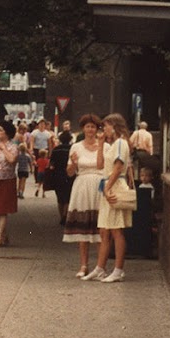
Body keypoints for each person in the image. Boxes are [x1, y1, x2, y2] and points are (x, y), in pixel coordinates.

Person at [85, 113, 133, 283]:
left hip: (114, 186)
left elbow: (118, 168)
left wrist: (107, 188)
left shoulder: (120, 143)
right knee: (105, 230)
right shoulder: (113, 144)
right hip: (108, 185)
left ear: (114, 126)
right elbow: (100, 165)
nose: (103, 129)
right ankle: (100, 268)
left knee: (116, 230)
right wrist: (100, 145)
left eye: (106, 126)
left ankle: (118, 270)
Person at [63, 114, 105, 278]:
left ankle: (100, 267)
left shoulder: (104, 146)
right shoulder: (76, 147)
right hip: (82, 186)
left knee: (100, 228)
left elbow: (106, 168)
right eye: (87, 126)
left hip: (99, 186)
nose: (90, 130)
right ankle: (83, 265)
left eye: (93, 127)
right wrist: (73, 163)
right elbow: (69, 173)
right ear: (83, 129)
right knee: (83, 228)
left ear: (97, 129)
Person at [47, 131, 74, 224]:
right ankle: (65, 215)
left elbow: (51, 164)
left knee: (60, 197)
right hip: (69, 175)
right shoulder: (72, 149)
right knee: (68, 196)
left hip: (57, 175)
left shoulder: (56, 149)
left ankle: (61, 215)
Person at [13, 121, 34, 197]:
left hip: (15, 154)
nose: (25, 132)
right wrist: (31, 155)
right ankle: (21, 192)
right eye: (25, 130)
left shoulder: (15, 135)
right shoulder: (21, 136)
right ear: (22, 129)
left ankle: (17, 191)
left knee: (18, 177)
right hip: (20, 154)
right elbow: (24, 147)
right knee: (23, 179)